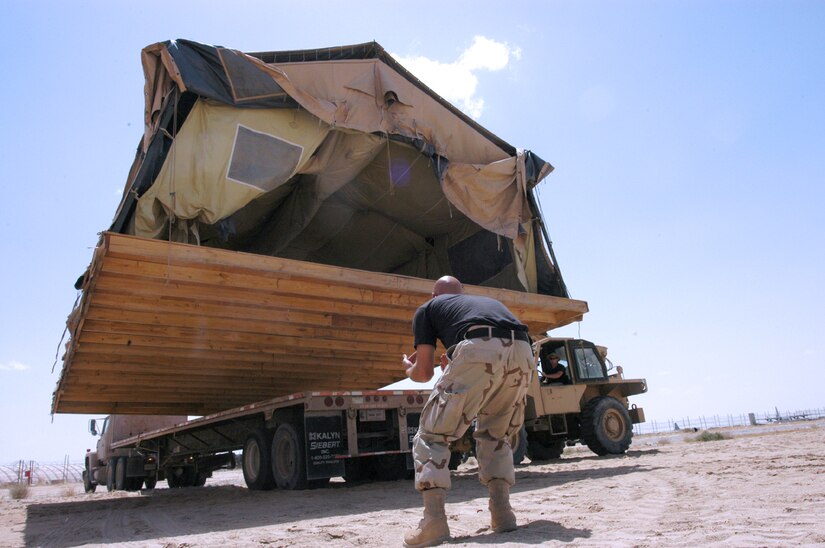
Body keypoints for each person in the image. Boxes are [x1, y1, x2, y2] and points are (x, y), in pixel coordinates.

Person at [401, 275, 534, 547]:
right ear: (462, 293)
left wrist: (407, 367)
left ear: (435, 295)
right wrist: (455, 365)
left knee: (431, 436)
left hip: (478, 348)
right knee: (495, 433)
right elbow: (491, 345)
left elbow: (423, 373)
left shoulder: (428, 308)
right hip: (523, 351)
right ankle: (503, 513)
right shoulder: (483, 303)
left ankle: (434, 522)